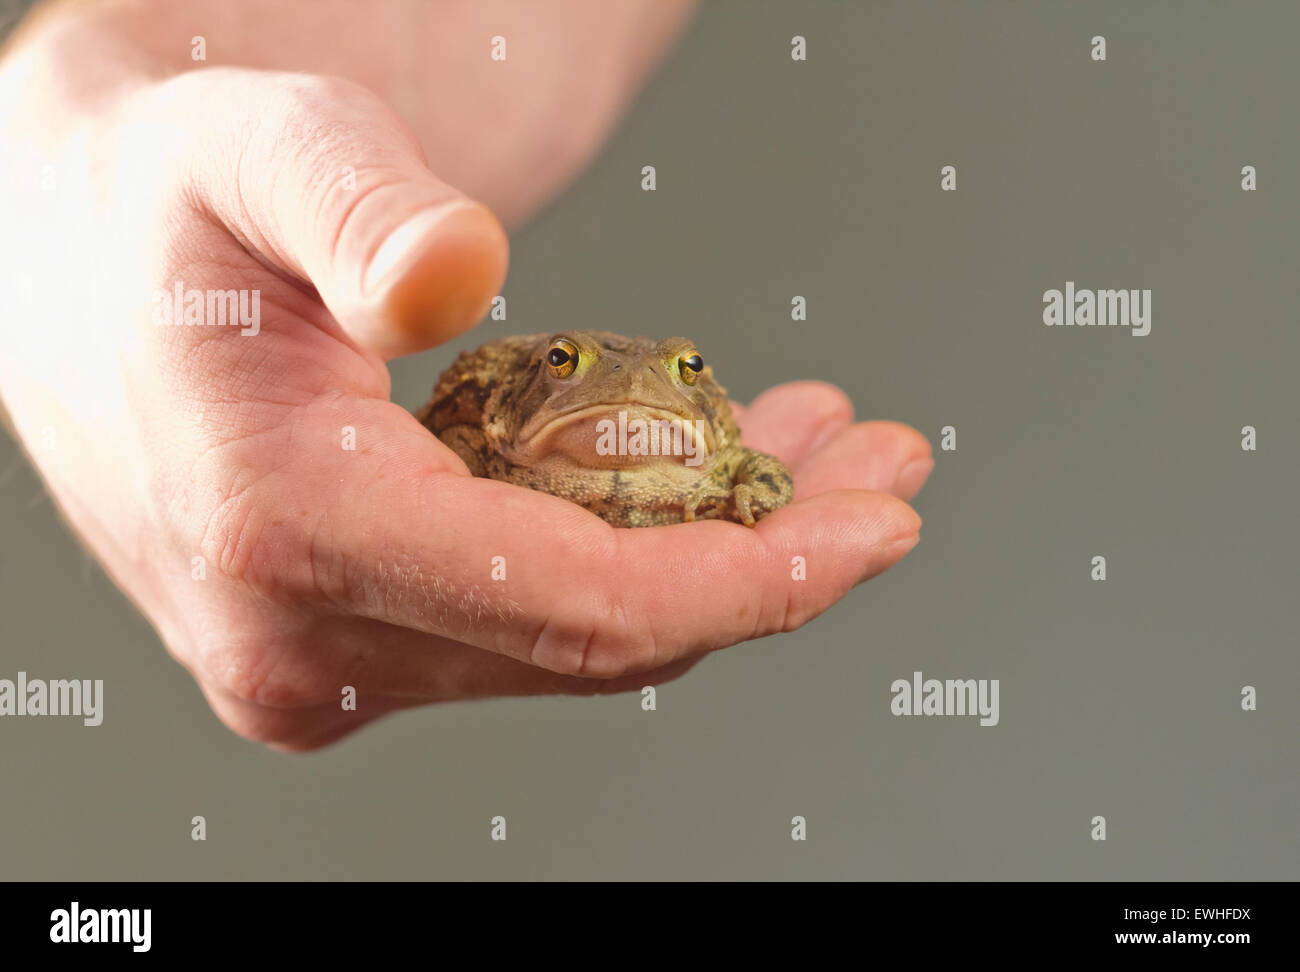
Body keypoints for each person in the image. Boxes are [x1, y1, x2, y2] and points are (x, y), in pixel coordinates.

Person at [0, 0, 932, 750]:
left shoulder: (723, 462)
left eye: (687, 373)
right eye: (566, 369)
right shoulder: (488, 423)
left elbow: (759, 477)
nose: (637, 390)